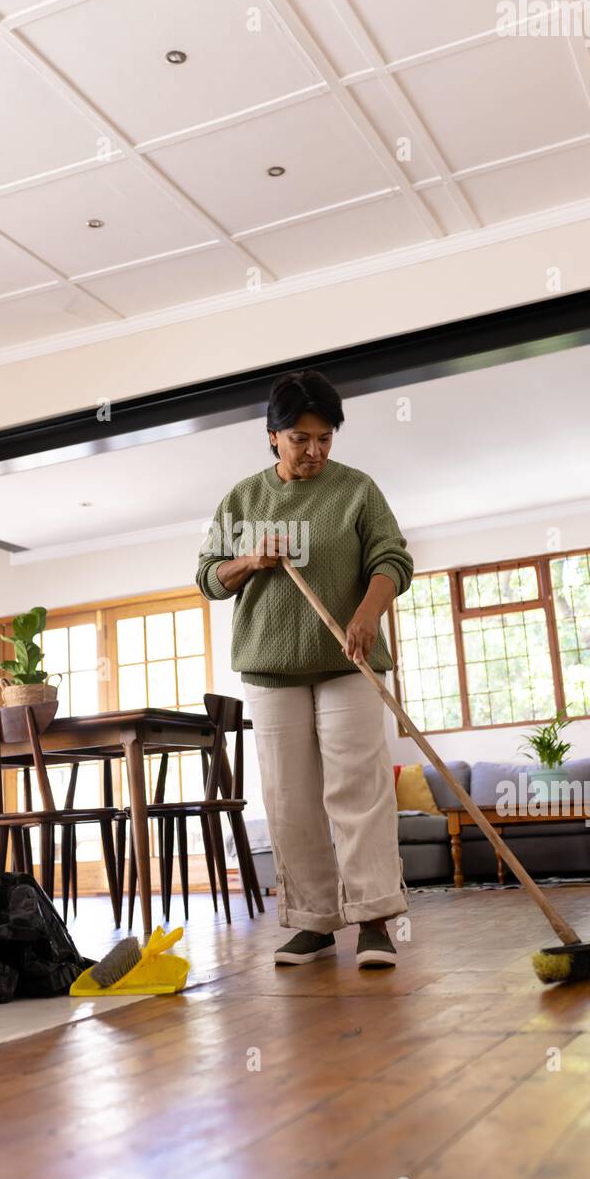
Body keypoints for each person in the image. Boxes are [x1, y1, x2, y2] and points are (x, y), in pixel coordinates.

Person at [196, 369, 414, 969]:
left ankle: (373, 921)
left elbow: (392, 559)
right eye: (301, 439)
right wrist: (250, 559)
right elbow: (208, 577)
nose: (315, 451)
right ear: (273, 436)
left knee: (359, 790)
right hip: (270, 670)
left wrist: (367, 616)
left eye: (325, 438)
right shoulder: (241, 501)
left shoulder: (357, 490)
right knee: (290, 799)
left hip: (348, 661)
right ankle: (314, 923)